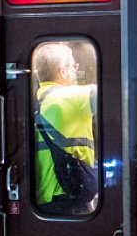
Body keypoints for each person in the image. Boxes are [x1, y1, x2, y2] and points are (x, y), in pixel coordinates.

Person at [33, 42, 97, 214]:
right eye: (74, 66)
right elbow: (116, 93)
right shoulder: (70, 97)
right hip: (69, 199)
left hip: (42, 201)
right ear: (63, 71)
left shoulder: (35, 103)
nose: (76, 70)